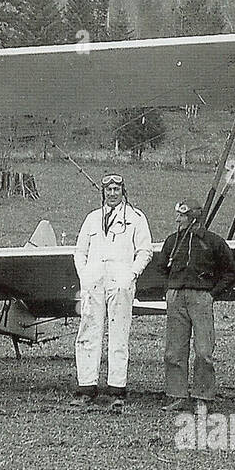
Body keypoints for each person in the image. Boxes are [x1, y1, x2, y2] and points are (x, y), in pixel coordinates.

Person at [71, 173, 152, 412]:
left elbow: (145, 251)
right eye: (109, 190)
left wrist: (131, 275)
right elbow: (79, 251)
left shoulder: (136, 218)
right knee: (88, 332)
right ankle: (87, 386)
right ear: (103, 192)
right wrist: (84, 275)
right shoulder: (92, 219)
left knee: (119, 334)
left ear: (123, 191)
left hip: (120, 282)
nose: (113, 193)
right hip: (93, 283)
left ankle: (117, 388)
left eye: (117, 189)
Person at [149, 198, 235, 411]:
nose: (177, 219)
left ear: (194, 218)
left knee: (203, 350)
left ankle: (202, 398)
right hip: (176, 298)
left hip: (201, 299)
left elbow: (229, 272)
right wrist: (170, 289)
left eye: (182, 215)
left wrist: (211, 294)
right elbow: (161, 268)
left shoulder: (214, 242)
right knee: (174, 350)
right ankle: (177, 395)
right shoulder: (172, 241)